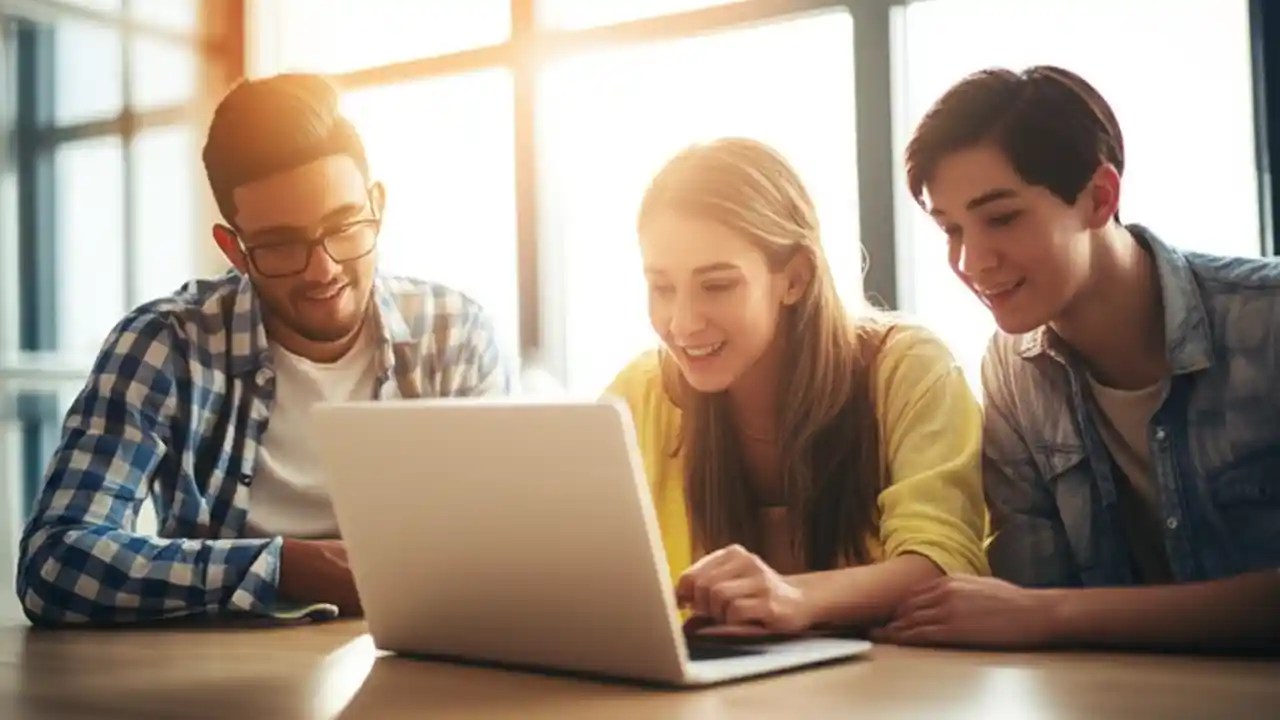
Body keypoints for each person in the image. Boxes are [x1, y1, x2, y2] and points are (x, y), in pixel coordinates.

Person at [16, 74, 514, 625]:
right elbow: (54, 563)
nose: (323, 270)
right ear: (235, 249)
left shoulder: (453, 335)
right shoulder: (166, 345)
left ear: (378, 205)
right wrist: (285, 568)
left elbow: (506, 547)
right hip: (229, 668)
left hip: (416, 652)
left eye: (344, 226)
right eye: (281, 244)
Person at [879, 65, 1280, 652]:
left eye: (1002, 218)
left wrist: (1053, 614)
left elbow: (1035, 610)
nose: (971, 261)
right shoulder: (1012, 371)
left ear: (1099, 198)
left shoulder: (1266, 321)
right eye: (951, 230)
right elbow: (1030, 592)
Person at [606, 138, 988, 638]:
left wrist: (796, 597)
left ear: (795, 278)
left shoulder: (908, 370)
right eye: (662, 288)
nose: (682, 323)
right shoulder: (638, 396)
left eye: (717, 285)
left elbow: (944, 566)